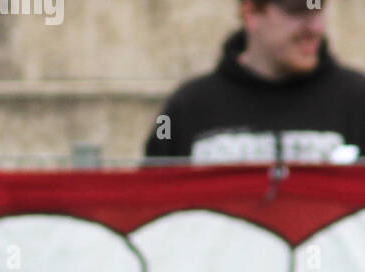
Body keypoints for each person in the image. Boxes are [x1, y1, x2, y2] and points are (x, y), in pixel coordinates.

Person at [144, 0, 365, 163]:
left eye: (319, 9)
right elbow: (151, 208)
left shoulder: (357, 100)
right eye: (298, 12)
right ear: (250, 13)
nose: (315, 28)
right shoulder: (188, 107)